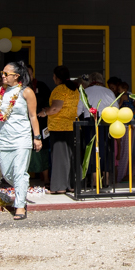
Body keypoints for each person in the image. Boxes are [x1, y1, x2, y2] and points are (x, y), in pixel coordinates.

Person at [0, 61, 42, 220]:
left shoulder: (26, 92)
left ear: (16, 76)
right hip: (4, 137)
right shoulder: (0, 90)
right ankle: (22, 186)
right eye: (2, 73)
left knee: (19, 172)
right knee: (7, 173)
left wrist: (37, 137)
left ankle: (20, 205)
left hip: (21, 137)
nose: (3, 76)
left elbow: (33, 116)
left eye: (6, 74)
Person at [40, 65, 80, 193]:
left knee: (59, 157)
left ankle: (59, 187)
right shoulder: (75, 89)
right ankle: (71, 185)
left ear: (57, 77)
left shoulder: (60, 89)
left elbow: (55, 108)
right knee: (70, 156)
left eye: (53, 76)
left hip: (59, 127)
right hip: (72, 125)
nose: (53, 78)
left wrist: (45, 112)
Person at [78, 71, 118, 187]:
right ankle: (106, 180)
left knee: (91, 150)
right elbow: (116, 108)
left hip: (90, 123)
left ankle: (95, 181)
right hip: (106, 122)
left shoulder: (85, 92)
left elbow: (78, 111)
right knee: (105, 150)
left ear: (90, 81)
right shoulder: (109, 92)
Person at [26, 66, 52, 186]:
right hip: (25, 124)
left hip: (41, 123)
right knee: (26, 150)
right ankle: (25, 179)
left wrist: (45, 110)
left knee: (43, 149)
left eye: (30, 74)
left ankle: (45, 178)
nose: (29, 76)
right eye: (26, 74)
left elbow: (49, 102)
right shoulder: (20, 89)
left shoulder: (41, 86)